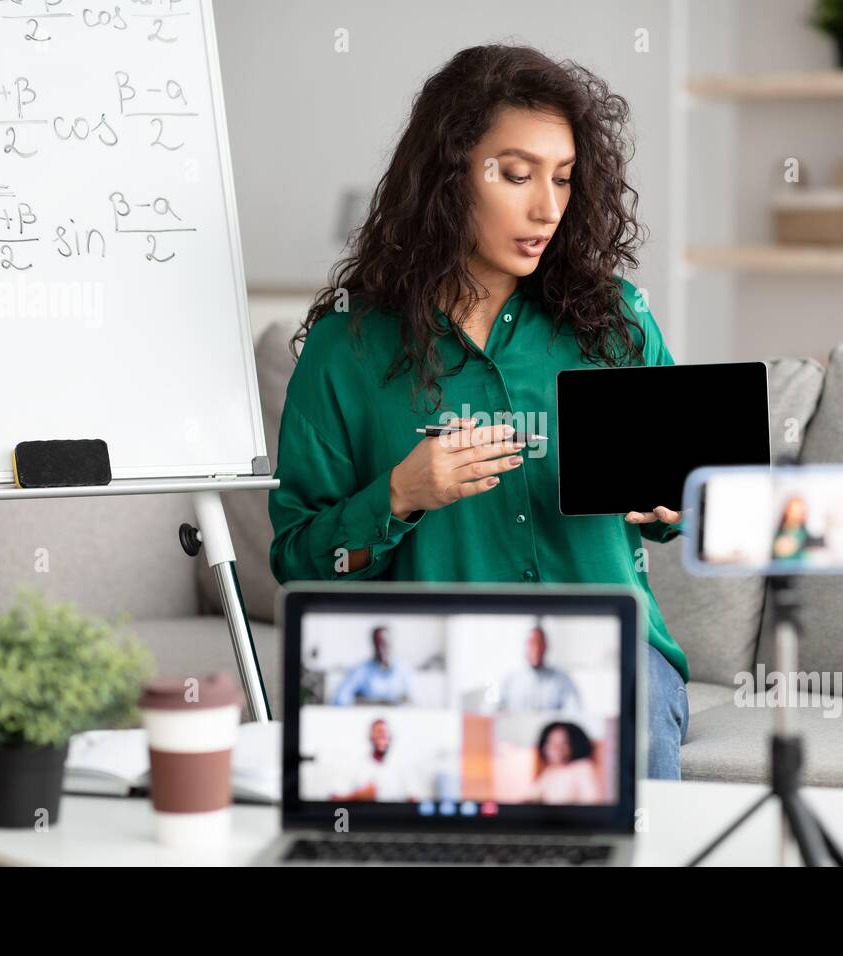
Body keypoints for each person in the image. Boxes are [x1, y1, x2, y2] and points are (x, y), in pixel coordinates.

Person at [268, 45, 689, 779]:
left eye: (563, 179)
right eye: (518, 176)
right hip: (437, 663)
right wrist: (398, 497)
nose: (547, 208)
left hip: (609, 653)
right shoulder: (347, 349)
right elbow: (303, 563)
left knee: (637, 773)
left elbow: (691, 498)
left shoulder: (618, 321)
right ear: (447, 176)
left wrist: (672, 499)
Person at [332, 718, 418, 802]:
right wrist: (359, 795)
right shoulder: (355, 765)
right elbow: (334, 798)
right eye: (378, 733)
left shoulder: (402, 768)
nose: (382, 736)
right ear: (371, 737)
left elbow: (415, 799)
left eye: (385, 734)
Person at [498, 626, 581, 712]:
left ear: (546, 647)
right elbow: (494, 710)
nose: (536, 649)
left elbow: (574, 711)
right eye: (532, 644)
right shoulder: (510, 679)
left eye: (540, 644)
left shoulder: (562, 679)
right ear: (526, 646)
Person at [331, 626, 413, 705]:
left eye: (386, 643)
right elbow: (340, 699)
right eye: (379, 643)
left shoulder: (404, 669)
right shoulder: (361, 670)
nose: (383, 648)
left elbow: (416, 701)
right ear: (373, 645)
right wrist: (372, 703)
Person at [525, 721, 602, 805]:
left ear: (575, 744)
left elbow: (593, 804)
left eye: (564, 743)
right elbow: (532, 797)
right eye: (551, 743)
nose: (557, 749)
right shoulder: (550, 771)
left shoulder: (582, 767)